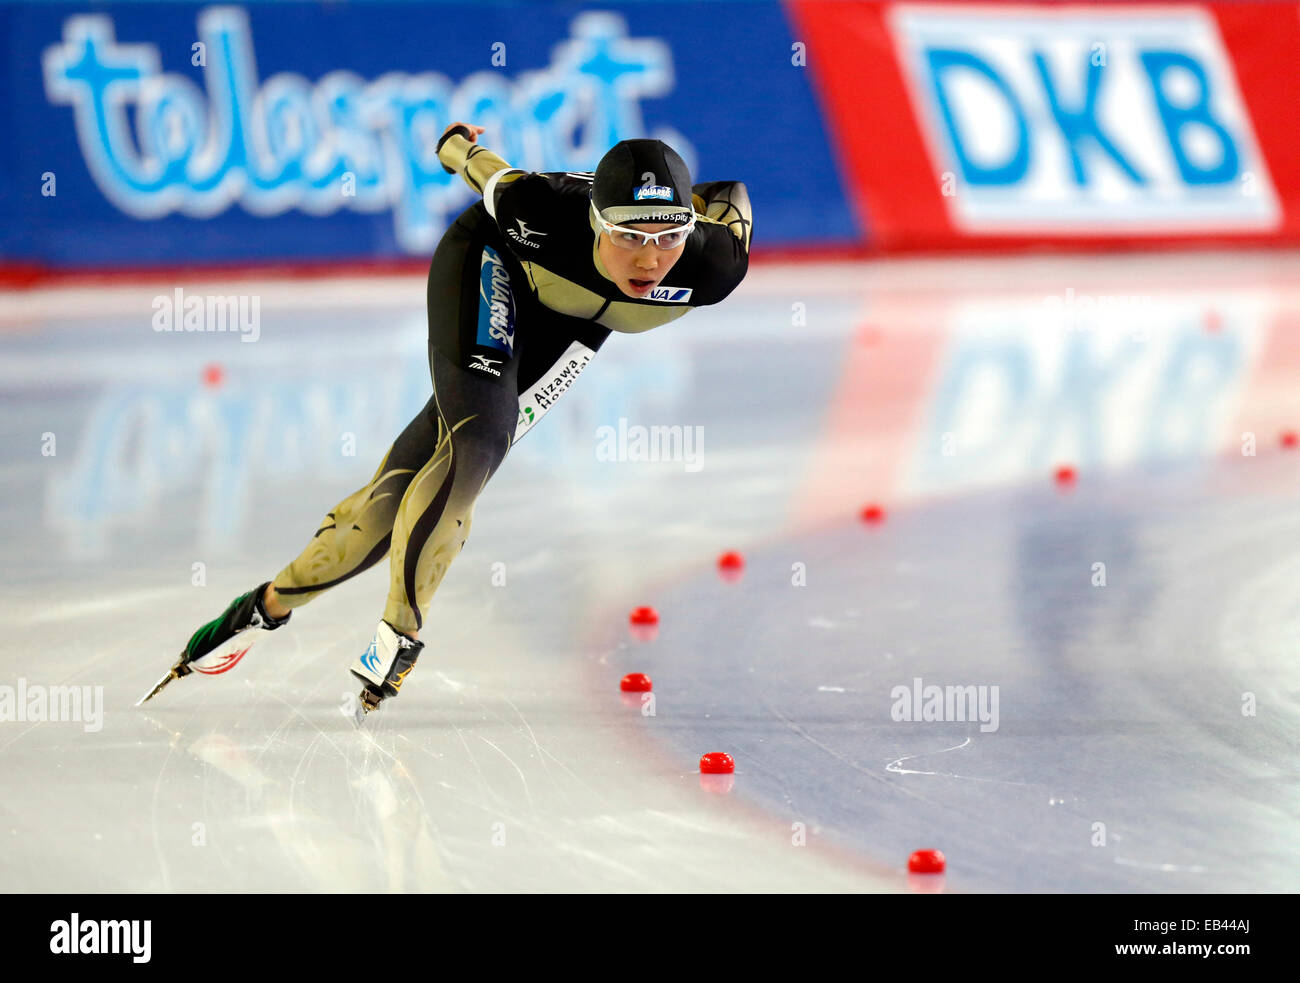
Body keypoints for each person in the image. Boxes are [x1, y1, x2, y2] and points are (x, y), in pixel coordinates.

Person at [139, 123, 753, 715]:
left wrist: (690, 216)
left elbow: (731, 199)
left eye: (666, 236)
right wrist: (454, 146)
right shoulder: (540, 209)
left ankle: (260, 608)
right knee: (475, 445)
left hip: (573, 324)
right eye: (628, 235)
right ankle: (398, 636)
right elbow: (487, 172)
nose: (649, 260)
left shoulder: (712, 264)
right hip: (493, 264)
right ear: (595, 219)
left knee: (397, 501)